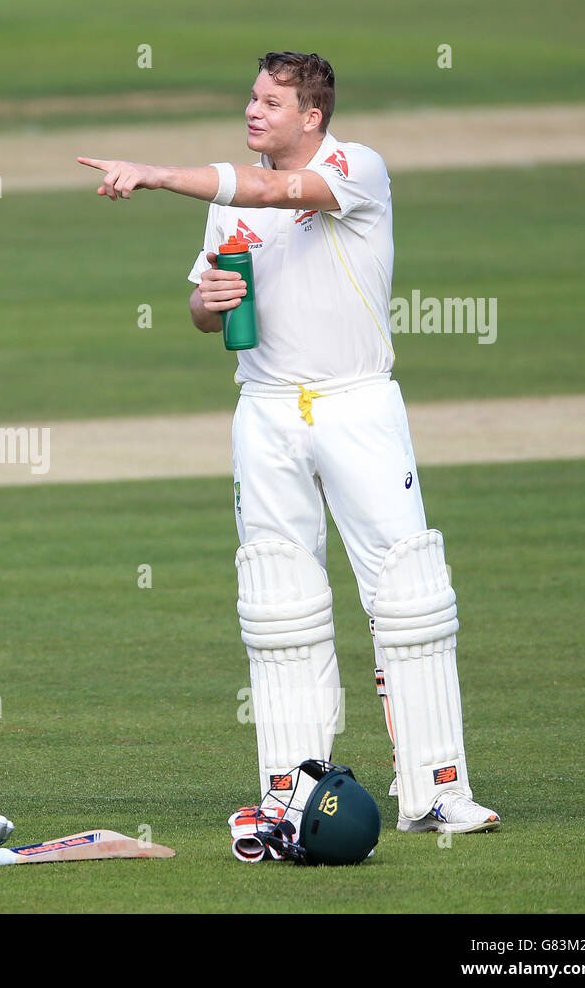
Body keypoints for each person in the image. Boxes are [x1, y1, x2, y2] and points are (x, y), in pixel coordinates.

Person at [79, 52, 498, 834]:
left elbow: (274, 190)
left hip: (357, 404)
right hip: (265, 409)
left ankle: (437, 791)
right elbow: (206, 313)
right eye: (251, 97)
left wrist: (154, 172)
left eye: (272, 102)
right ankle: (290, 794)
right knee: (280, 601)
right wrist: (208, 301)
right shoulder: (228, 200)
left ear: (312, 115)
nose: (253, 111)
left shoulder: (355, 168)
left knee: (408, 597)